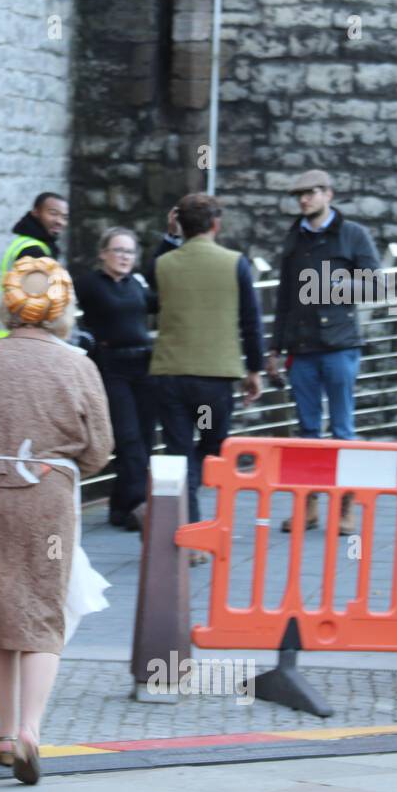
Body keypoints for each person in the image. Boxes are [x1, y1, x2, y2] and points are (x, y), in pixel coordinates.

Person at [0, 256, 113, 784]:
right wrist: (65, 467)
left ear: (7, 303)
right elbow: (101, 448)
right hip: (49, 494)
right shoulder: (79, 364)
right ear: (62, 309)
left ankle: (5, 730)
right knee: (43, 609)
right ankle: (33, 731)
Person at [267, 170, 381, 535]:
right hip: (301, 349)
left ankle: (345, 508)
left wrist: (332, 285)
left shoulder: (354, 234)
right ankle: (308, 506)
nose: (304, 200)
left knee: (344, 431)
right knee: (306, 433)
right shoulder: (294, 238)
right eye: (299, 194)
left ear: (328, 194)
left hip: (340, 347)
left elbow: (376, 285)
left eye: (311, 193)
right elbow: (284, 296)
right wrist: (274, 347)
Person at [149, 193, 265, 538]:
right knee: (212, 444)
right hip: (211, 382)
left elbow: (152, 287)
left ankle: (189, 524)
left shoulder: (165, 263)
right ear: (216, 225)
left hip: (170, 376)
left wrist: (169, 237)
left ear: (179, 224)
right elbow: (251, 320)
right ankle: (194, 519)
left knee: (178, 450)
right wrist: (255, 369)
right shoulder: (234, 263)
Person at [72, 227, 157, 531]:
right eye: (118, 250)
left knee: (146, 437)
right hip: (111, 366)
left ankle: (120, 508)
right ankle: (136, 506)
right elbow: (66, 311)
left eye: (129, 252)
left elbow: (158, 302)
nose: (124, 257)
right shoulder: (89, 284)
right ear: (103, 253)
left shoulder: (137, 284)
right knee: (127, 437)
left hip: (144, 364)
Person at [1, 192, 68, 275]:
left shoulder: (30, 242)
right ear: (36, 212)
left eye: (64, 217)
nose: (60, 221)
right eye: (53, 213)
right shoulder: (32, 251)